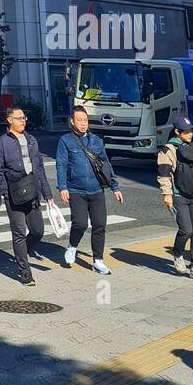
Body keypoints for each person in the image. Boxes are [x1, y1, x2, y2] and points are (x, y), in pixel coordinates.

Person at [0, 107, 56, 286]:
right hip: (13, 193)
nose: (23, 121)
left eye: (24, 118)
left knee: (37, 231)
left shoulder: (32, 140)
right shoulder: (2, 142)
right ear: (9, 120)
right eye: (19, 118)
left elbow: (40, 168)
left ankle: (21, 252)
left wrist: (47, 193)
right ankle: (25, 271)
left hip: (32, 191)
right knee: (18, 232)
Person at [56, 106, 124, 274]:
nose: (83, 123)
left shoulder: (97, 141)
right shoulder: (66, 140)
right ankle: (72, 245)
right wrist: (62, 187)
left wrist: (115, 187)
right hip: (76, 189)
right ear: (72, 121)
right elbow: (61, 164)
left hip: (96, 189)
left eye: (85, 120)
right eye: (79, 120)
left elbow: (106, 165)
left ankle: (98, 260)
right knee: (80, 223)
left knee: (100, 224)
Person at [157, 115, 193, 280]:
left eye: (191, 131)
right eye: (186, 131)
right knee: (186, 230)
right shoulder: (169, 149)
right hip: (178, 195)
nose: (190, 134)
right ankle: (178, 254)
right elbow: (164, 174)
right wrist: (167, 194)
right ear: (177, 131)